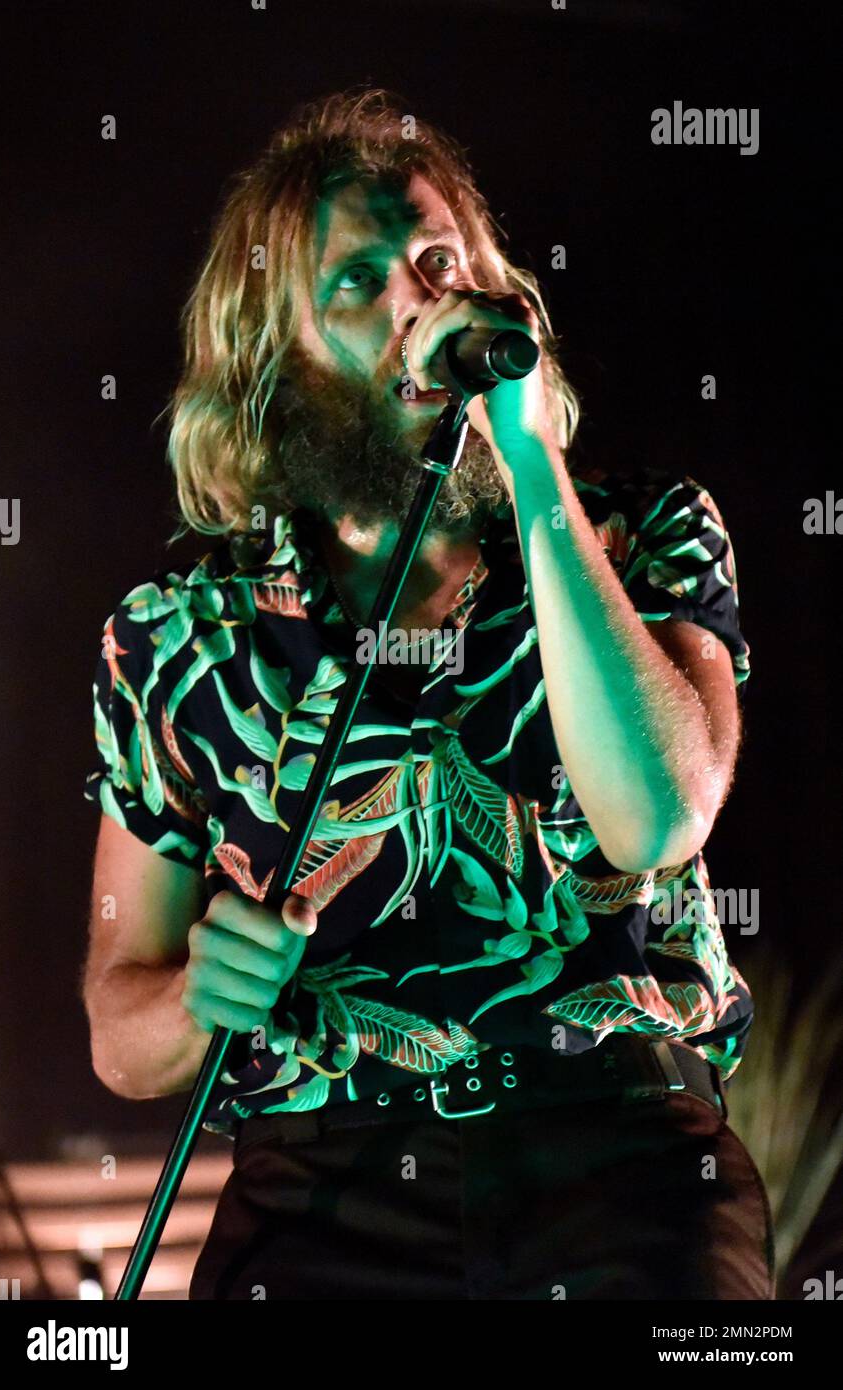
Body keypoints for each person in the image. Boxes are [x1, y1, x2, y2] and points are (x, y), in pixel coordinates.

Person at [81, 88, 774, 1300]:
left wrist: (527, 457)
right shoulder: (179, 635)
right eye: (354, 282)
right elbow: (120, 1030)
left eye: (436, 259)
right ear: (270, 353)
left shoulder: (642, 532)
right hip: (323, 1180)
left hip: (619, 1156)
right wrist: (201, 988)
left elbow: (656, 817)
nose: (415, 299)